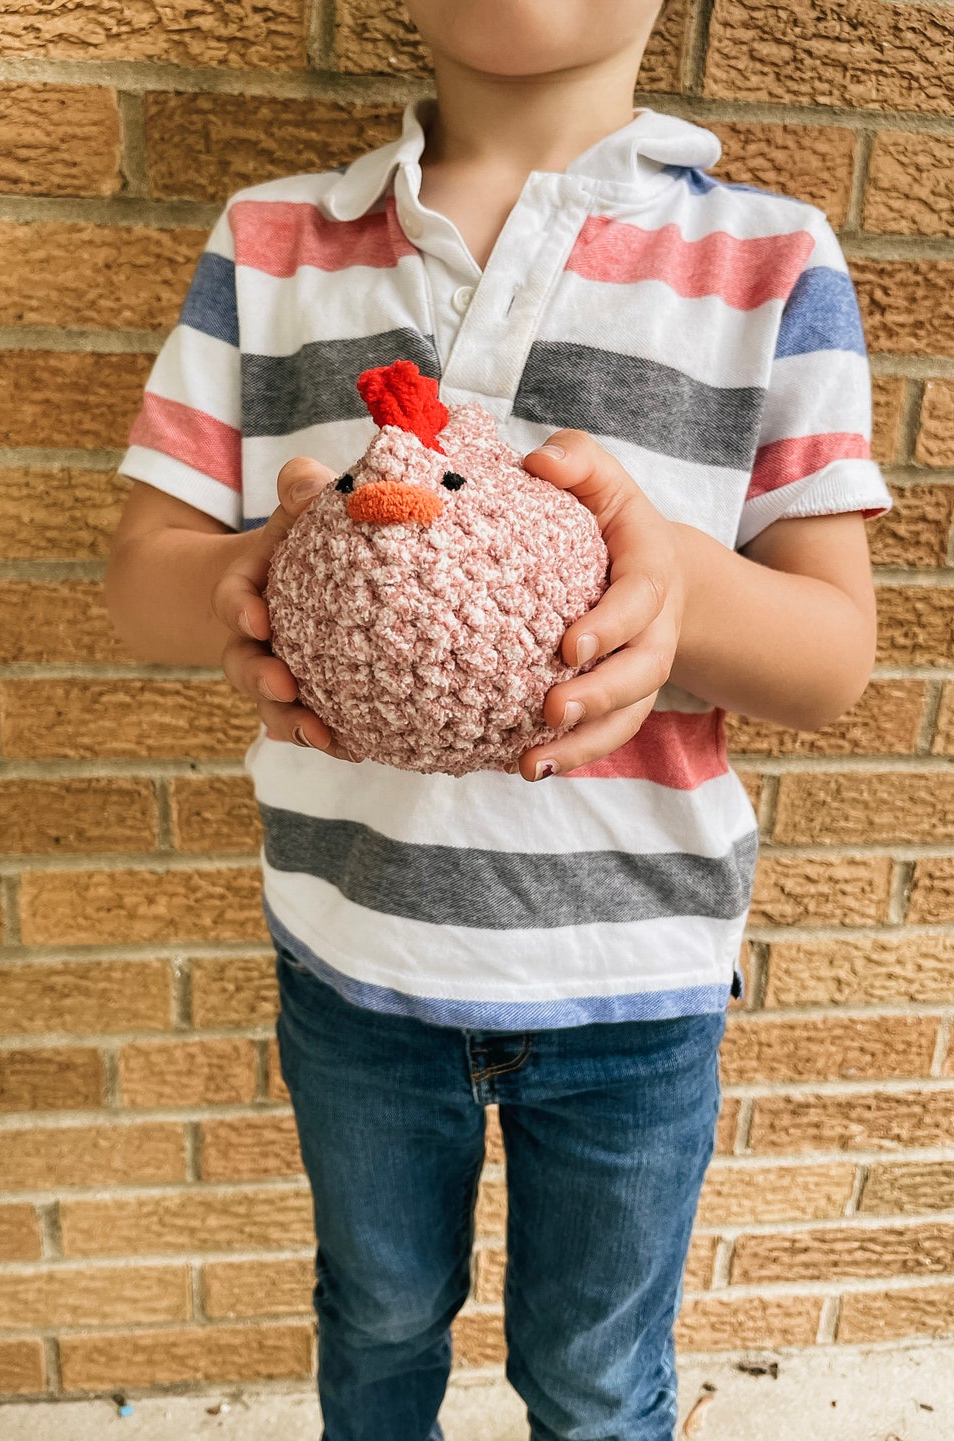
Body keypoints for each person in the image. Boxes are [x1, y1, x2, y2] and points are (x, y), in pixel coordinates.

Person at [103, 3, 893, 1436]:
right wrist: (250, 579)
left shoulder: (771, 261)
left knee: (593, 1379)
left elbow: (834, 656)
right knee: (381, 1315)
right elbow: (137, 578)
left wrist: (672, 589)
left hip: (634, 973)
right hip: (357, 961)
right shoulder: (274, 240)